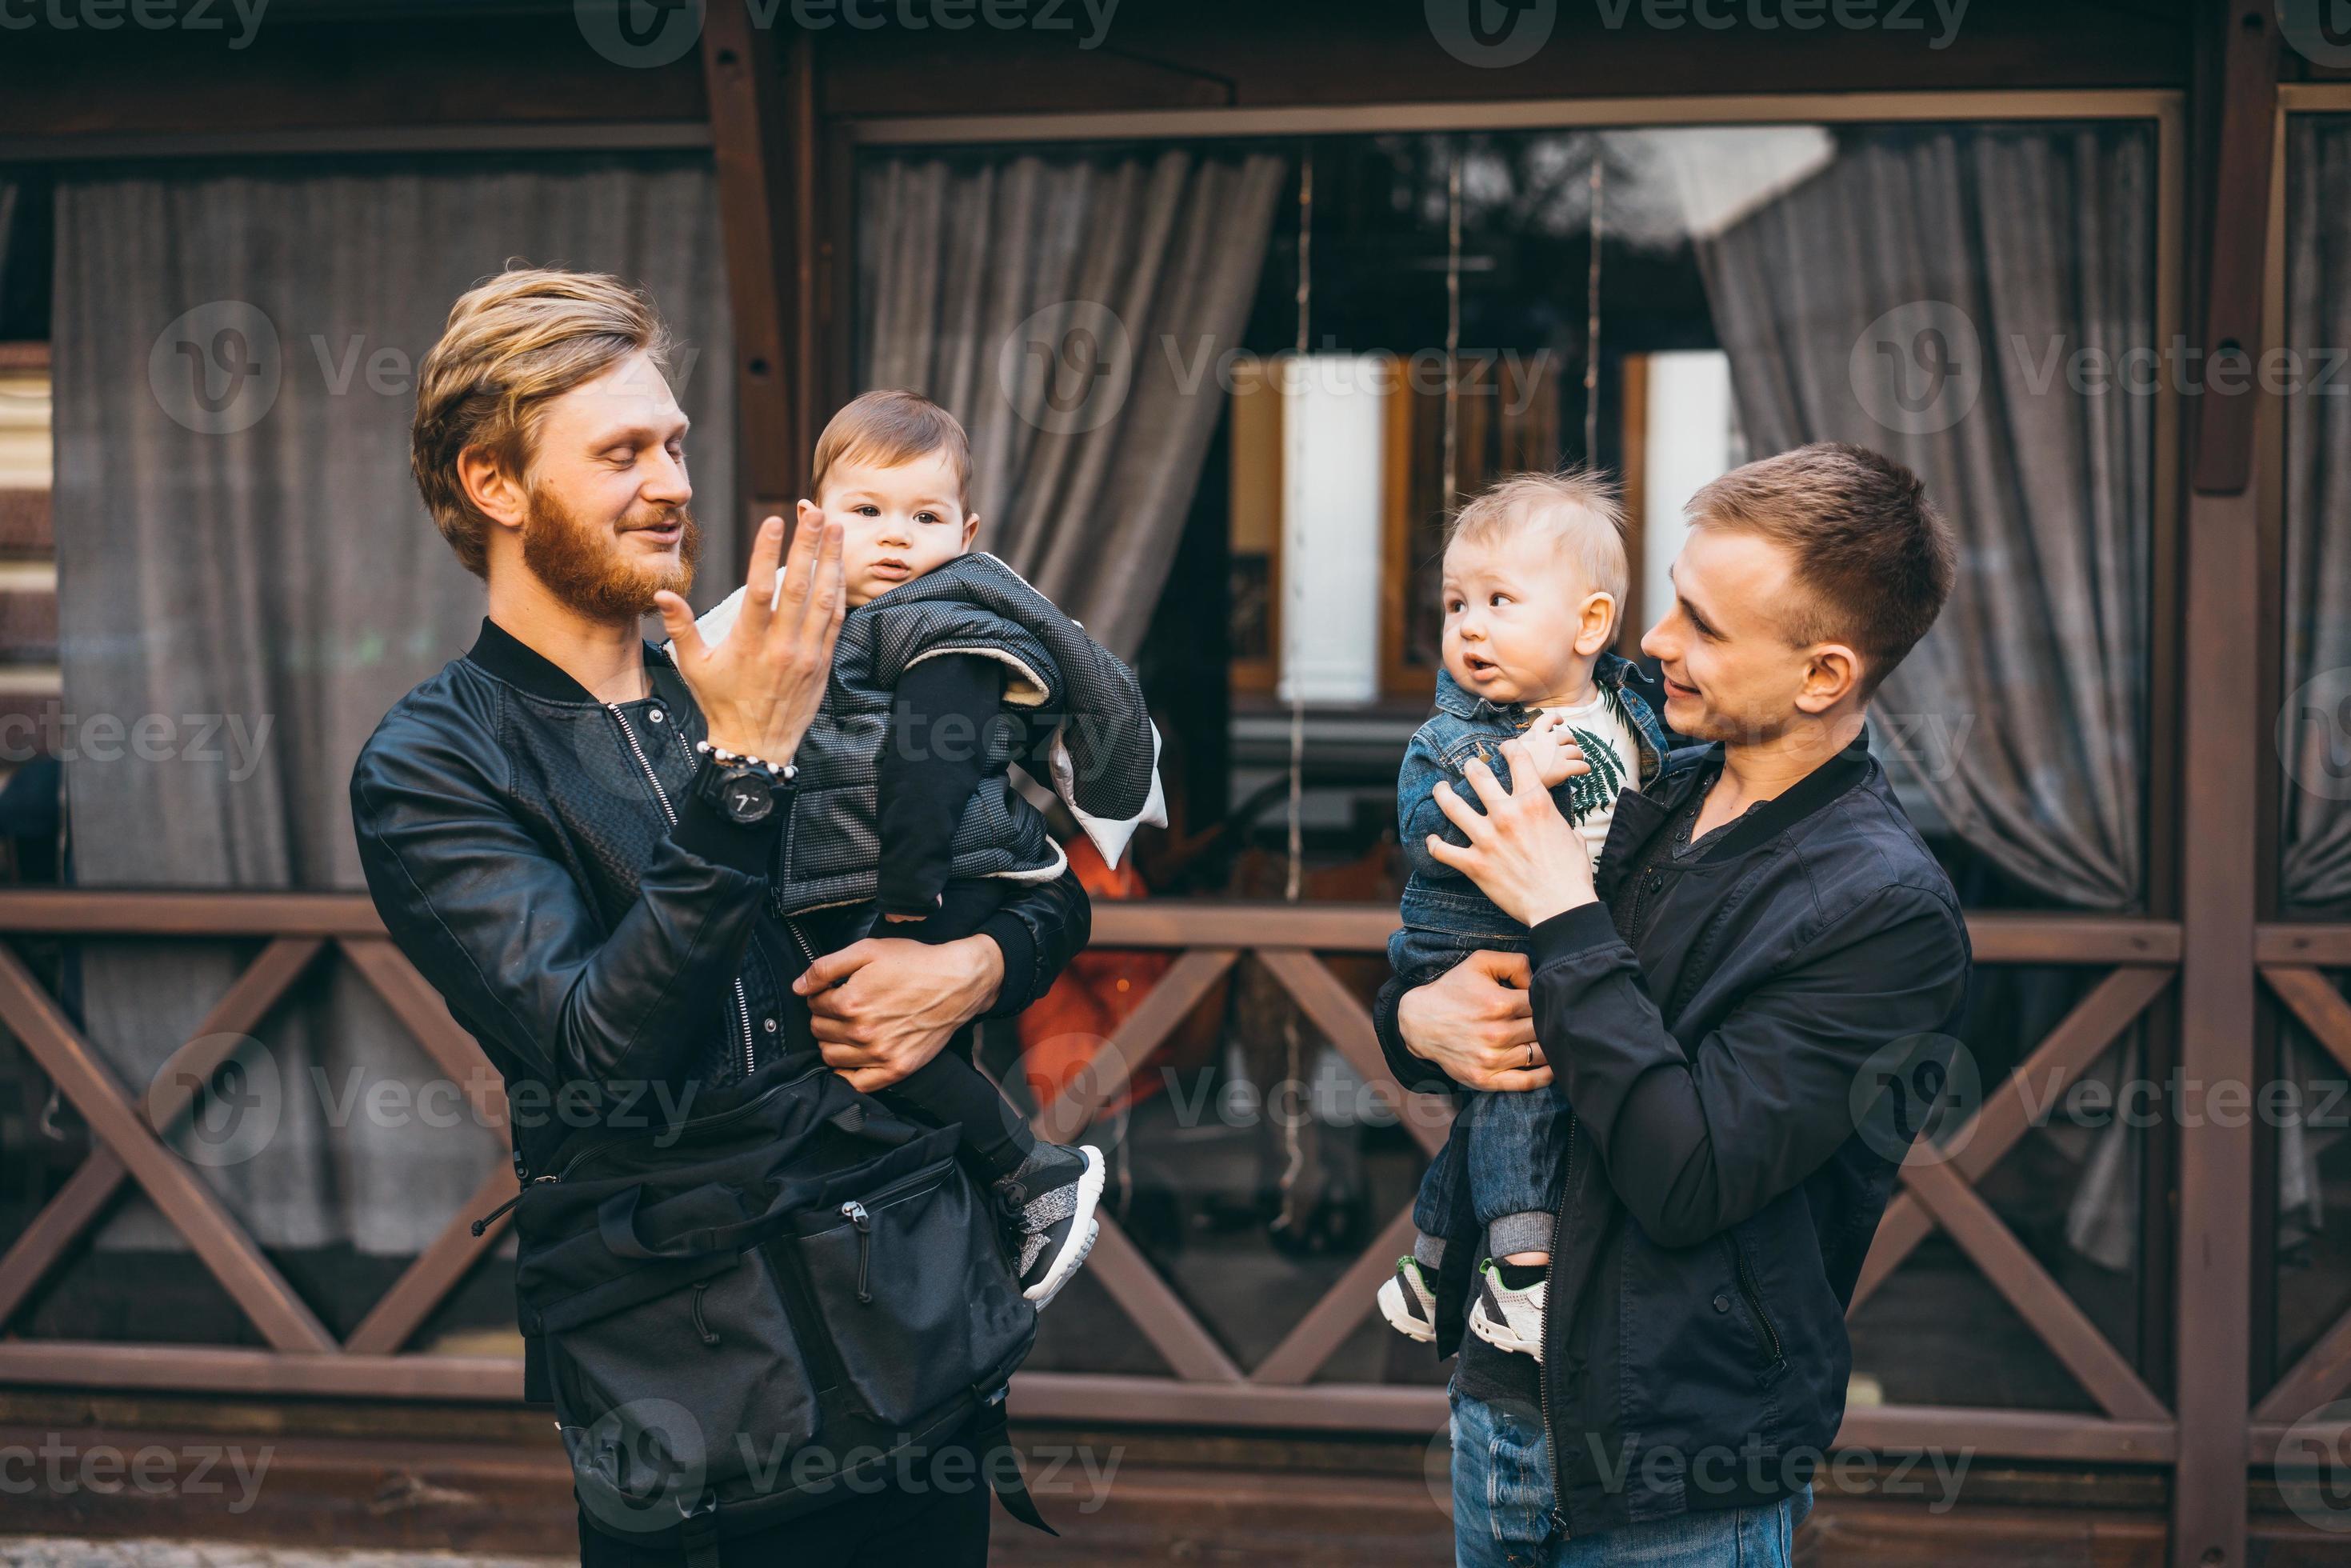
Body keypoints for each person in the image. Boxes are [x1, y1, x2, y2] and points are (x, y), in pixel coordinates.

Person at [350, 268, 1093, 1566]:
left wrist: (972, 966)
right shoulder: (438, 761)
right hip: (696, 1415)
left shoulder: (775, 666)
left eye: (677, 444)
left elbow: (1031, 883)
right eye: (622, 452)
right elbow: (600, 1058)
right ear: (496, 485)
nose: (674, 482)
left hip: (919, 1360)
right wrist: (743, 770)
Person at [1377, 443, 1973, 1566]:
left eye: (1701, 626)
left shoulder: (1882, 912)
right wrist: (1412, 1021)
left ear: (1820, 676)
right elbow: (1462, 962)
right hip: (1500, 1415)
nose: (1655, 644)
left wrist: (1560, 906)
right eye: (1668, 607)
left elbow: (1686, 1173)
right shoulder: (1649, 770)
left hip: (1678, 1477)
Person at [681, 388, 1166, 1306]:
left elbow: (929, 762)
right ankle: (983, 1202)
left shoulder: (951, 618)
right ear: (817, 519)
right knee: (861, 1039)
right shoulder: (814, 616)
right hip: (878, 865)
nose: (895, 536)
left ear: (967, 529)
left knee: (860, 1030)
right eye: (867, 511)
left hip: (944, 868)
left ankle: (1031, 1173)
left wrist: (908, 895)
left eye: (924, 515)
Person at [1373, 472, 1669, 1354]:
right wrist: (1510, 776)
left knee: (1490, 1116)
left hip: (1568, 942)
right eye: (1455, 603)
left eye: (1499, 601)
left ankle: (1431, 1269)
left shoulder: (1627, 712)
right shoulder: (1458, 734)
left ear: (1588, 625)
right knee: (1524, 1095)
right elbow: (1424, 831)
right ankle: (1517, 1273)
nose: (1469, 624)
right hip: (1474, 937)